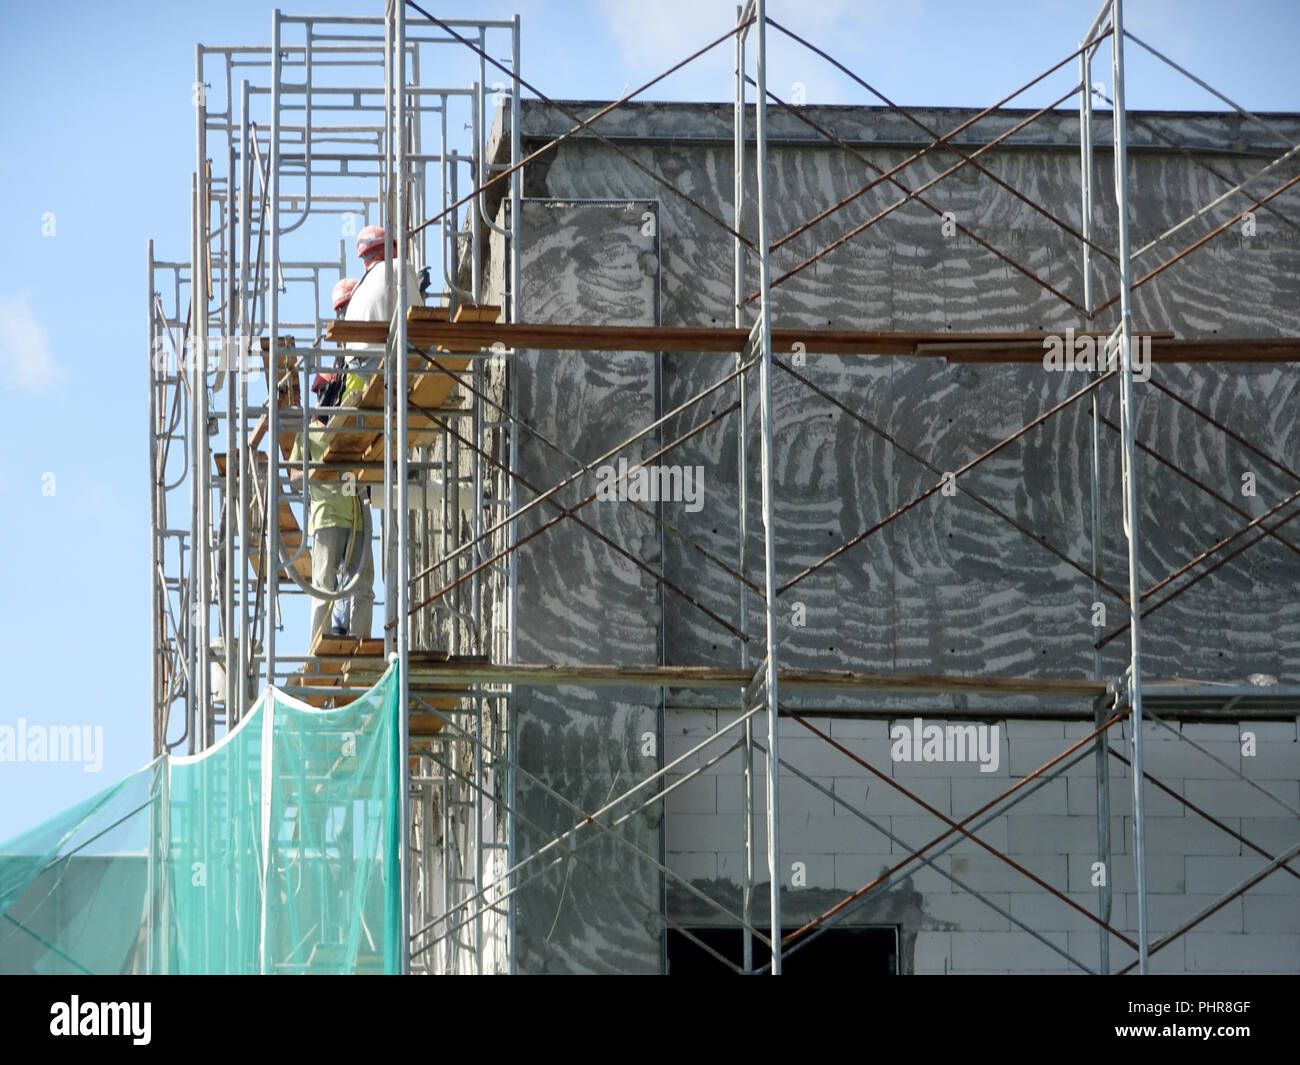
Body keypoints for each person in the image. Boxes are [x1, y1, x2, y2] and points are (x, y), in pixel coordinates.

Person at [289, 374, 375, 644]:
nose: (322, 396)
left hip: (357, 514)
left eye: (326, 389)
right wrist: (318, 471)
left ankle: (359, 640)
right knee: (324, 587)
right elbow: (293, 478)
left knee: (362, 585)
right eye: (319, 391)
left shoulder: (349, 425)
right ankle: (320, 644)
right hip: (326, 518)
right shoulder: (308, 434)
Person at [340, 224, 426, 404]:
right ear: (392, 247)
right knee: (438, 358)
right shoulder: (397, 266)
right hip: (381, 358)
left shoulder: (357, 288)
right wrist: (418, 291)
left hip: (359, 366)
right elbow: (417, 315)